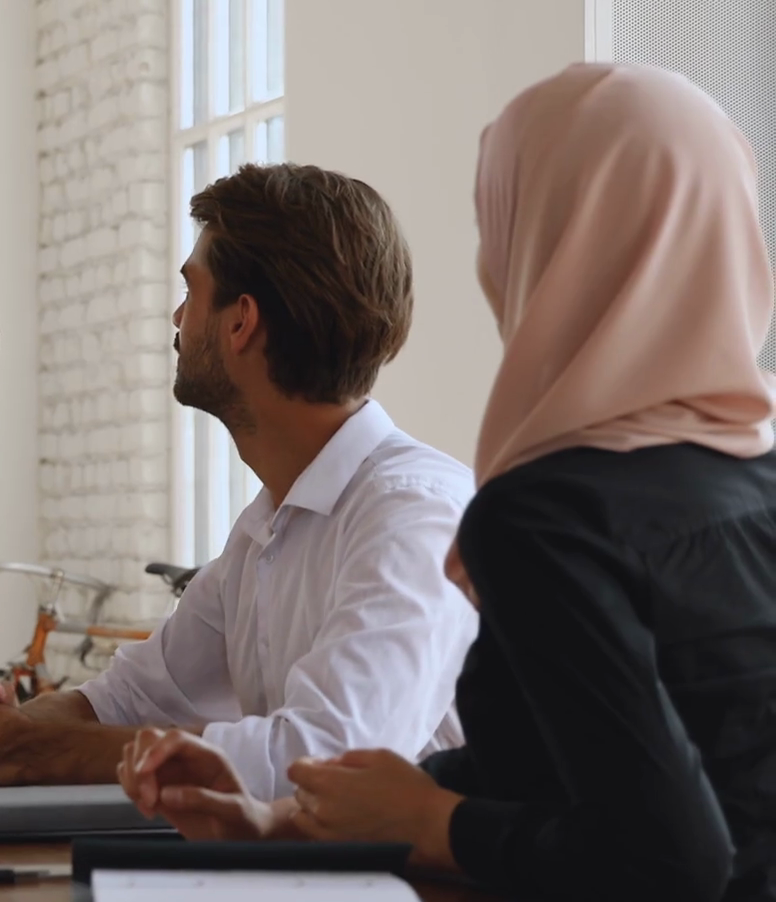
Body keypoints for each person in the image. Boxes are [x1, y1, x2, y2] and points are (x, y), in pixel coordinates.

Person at [120, 65, 776, 902]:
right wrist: (279, 821)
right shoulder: (757, 474)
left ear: (552, 242)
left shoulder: (548, 514)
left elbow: (676, 863)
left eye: (497, 218)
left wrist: (434, 823)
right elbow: (575, 771)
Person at [0, 163, 478, 799]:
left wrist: (10, 746)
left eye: (192, 291)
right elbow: (120, 703)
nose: (177, 316)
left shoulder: (413, 516)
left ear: (241, 322)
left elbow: (318, 762)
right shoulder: (267, 529)